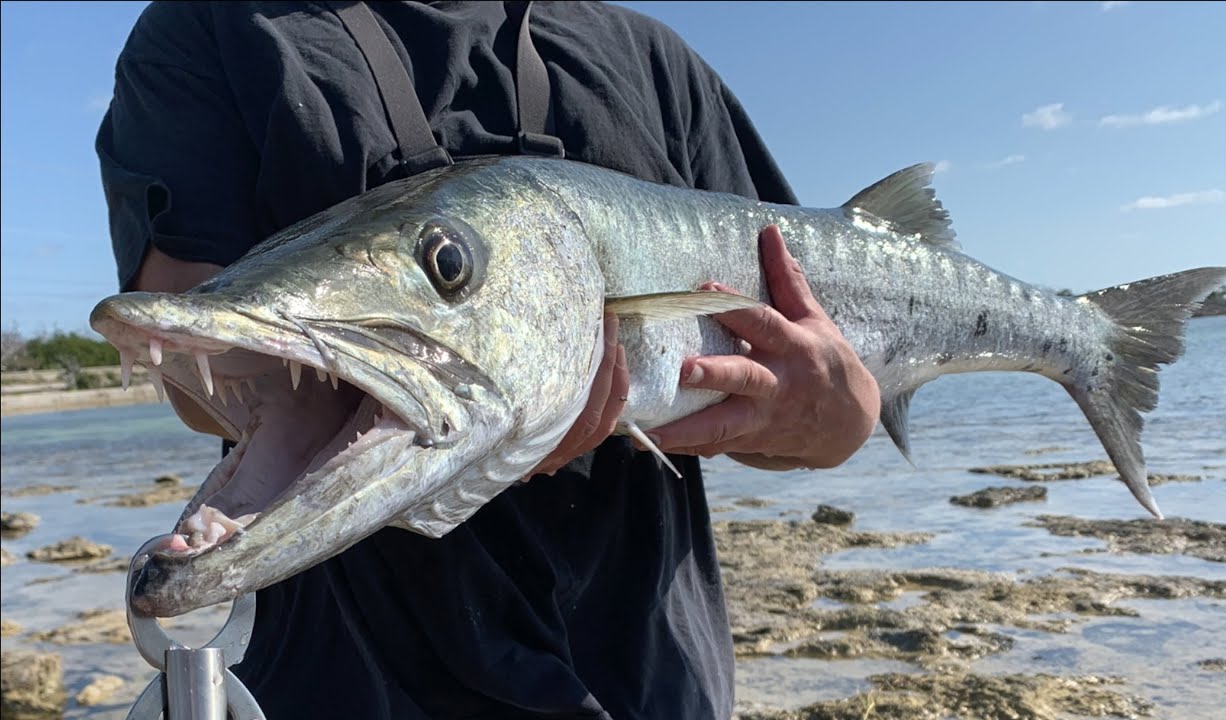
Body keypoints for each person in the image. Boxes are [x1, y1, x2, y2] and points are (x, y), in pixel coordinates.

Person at [96, 2, 880, 718]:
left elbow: (808, 375)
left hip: (651, 677)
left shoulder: (654, 62)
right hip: (338, 679)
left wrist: (844, 421)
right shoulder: (214, 30)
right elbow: (204, 357)